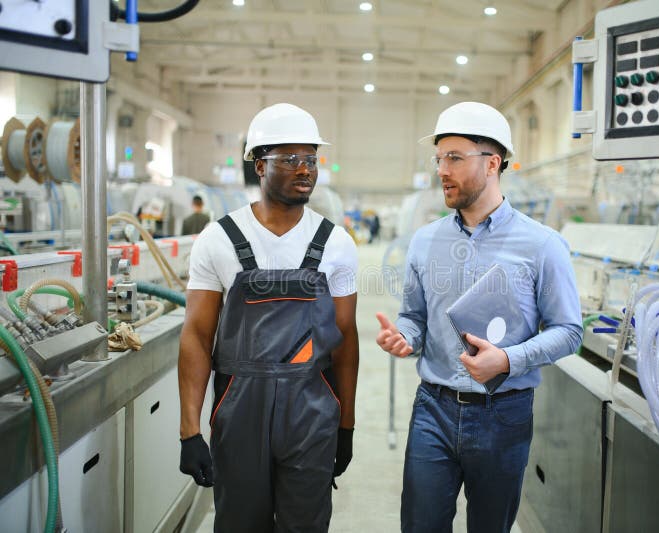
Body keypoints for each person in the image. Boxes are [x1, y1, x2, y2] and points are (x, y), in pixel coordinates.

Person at [375, 101, 582, 533]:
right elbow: (414, 317)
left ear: (492, 163)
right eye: (438, 159)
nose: (442, 170)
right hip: (434, 407)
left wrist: (506, 361)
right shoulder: (425, 242)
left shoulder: (542, 245)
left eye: (454, 158)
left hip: (503, 414)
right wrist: (405, 338)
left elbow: (568, 332)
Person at [178, 103, 359, 532]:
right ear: (260, 165)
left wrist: (346, 424)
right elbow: (197, 337)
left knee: (306, 525)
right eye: (291, 159)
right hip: (239, 407)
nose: (305, 170)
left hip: (311, 409)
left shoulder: (335, 244)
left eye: (312, 160)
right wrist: (189, 430)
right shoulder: (219, 240)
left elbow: (345, 340)